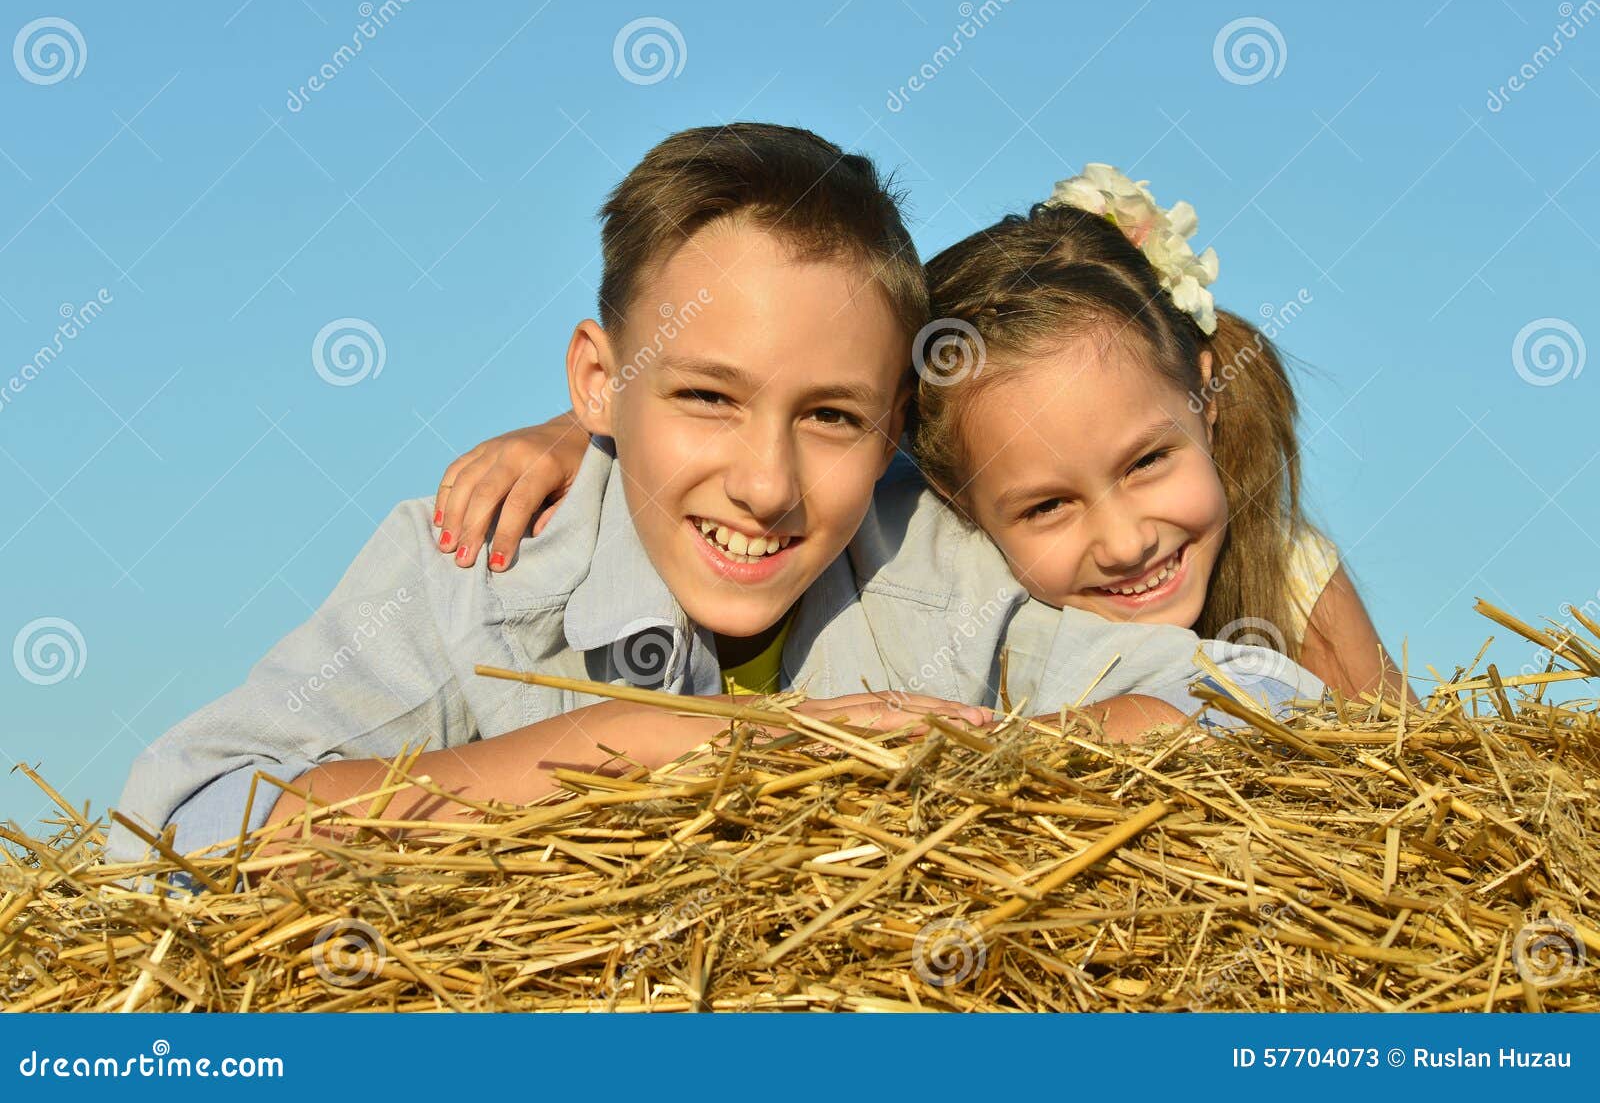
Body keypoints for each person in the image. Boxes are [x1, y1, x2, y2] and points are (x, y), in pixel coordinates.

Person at [106, 132, 1250, 889]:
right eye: (709, 397)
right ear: (599, 383)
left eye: (831, 419)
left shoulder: (933, 567)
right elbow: (183, 829)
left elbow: (1248, 709)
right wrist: (656, 745)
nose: (765, 484)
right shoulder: (473, 572)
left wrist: (984, 756)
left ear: (896, 427)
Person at [431, 164, 1405, 707]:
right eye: (1048, 505)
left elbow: (1401, 785)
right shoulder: (940, 573)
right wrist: (588, 432)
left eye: (1146, 462)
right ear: (949, 492)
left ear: (1205, 393)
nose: (1124, 540)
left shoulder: (1289, 575)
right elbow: (814, 422)